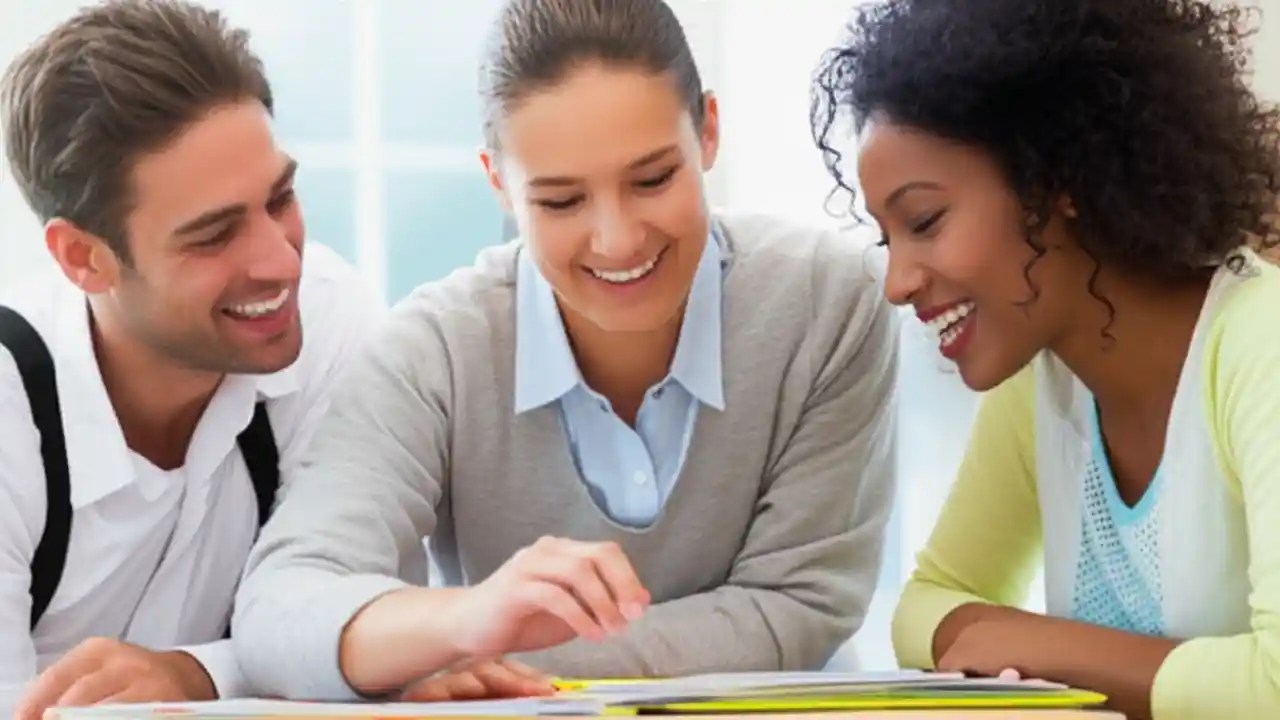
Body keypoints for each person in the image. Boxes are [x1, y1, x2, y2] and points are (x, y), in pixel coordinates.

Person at [231, 0, 898, 702]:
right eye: (560, 201)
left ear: (707, 131)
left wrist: (502, 659)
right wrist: (466, 618)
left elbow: (798, 605)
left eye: (651, 180)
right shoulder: (435, 352)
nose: (617, 240)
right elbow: (280, 609)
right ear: (499, 183)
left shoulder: (830, 301)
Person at [810, 0, 1280, 718]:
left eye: (925, 222)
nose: (897, 282)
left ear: (1054, 179)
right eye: (887, 240)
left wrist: (1030, 642)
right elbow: (927, 605)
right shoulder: (1046, 379)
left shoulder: (1260, 344)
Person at [0, 1, 380, 718]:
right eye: (213, 236)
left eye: (281, 198)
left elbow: (371, 626)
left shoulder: (328, 316)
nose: (280, 261)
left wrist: (196, 675)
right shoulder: (10, 414)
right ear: (84, 258)